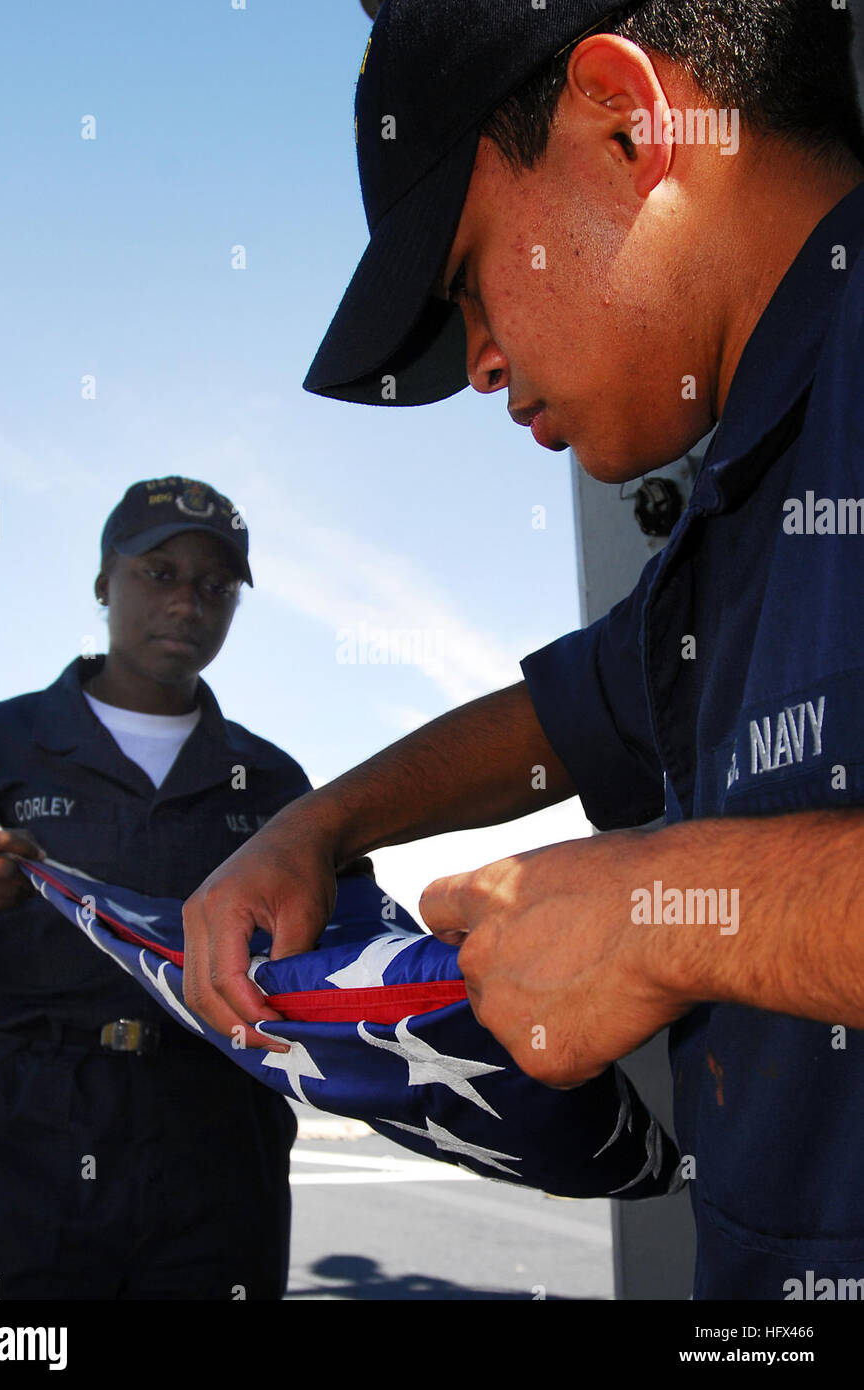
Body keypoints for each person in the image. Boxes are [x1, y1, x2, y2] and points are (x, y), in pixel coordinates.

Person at [182, 1, 864, 1300]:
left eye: (471, 282)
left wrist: (670, 911)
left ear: (625, 122)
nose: (483, 362)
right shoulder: (737, 523)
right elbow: (560, 720)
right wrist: (314, 830)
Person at [0, 476, 312, 1299]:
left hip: (214, 1149)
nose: (188, 603)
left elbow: (334, 969)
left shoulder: (275, 786)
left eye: (216, 585)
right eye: (159, 573)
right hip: (18, 1155)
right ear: (104, 582)